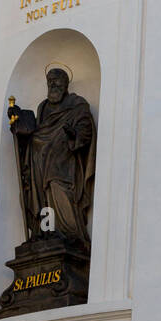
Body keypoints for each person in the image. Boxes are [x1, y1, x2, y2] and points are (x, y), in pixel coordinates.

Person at [8, 67, 96, 246]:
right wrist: (19, 122)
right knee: (41, 196)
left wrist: (74, 135)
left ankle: (72, 236)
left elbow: (85, 128)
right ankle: (44, 233)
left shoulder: (77, 104)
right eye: (50, 82)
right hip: (39, 163)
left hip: (63, 165)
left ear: (65, 84)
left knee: (58, 189)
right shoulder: (43, 107)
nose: (52, 85)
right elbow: (36, 134)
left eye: (56, 81)